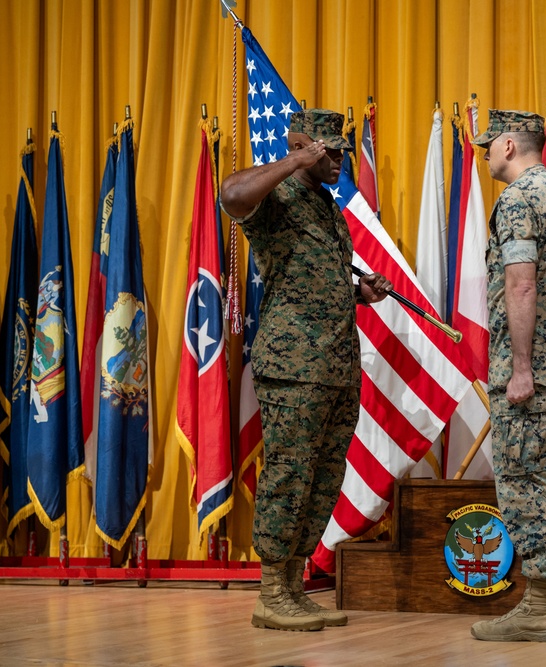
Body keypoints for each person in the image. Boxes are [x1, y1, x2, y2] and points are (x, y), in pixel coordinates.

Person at [220, 108, 392, 632]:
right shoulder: (277, 197)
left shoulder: (326, 206)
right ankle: (271, 593)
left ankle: (293, 587)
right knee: (289, 476)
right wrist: (293, 162)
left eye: (342, 151)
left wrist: (360, 291)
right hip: (294, 365)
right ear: (301, 147)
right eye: (328, 151)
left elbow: (313, 277)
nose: (339, 160)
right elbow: (231, 195)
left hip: (336, 365)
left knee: (321, 480)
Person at [469, 109, 546, 642]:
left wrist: (520, 369)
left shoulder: (519, 200)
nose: (485, 155)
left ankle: (541, 606)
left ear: (510, 146)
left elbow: (521, 284)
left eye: (489, 145)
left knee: (526, 482)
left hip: (532, 371)